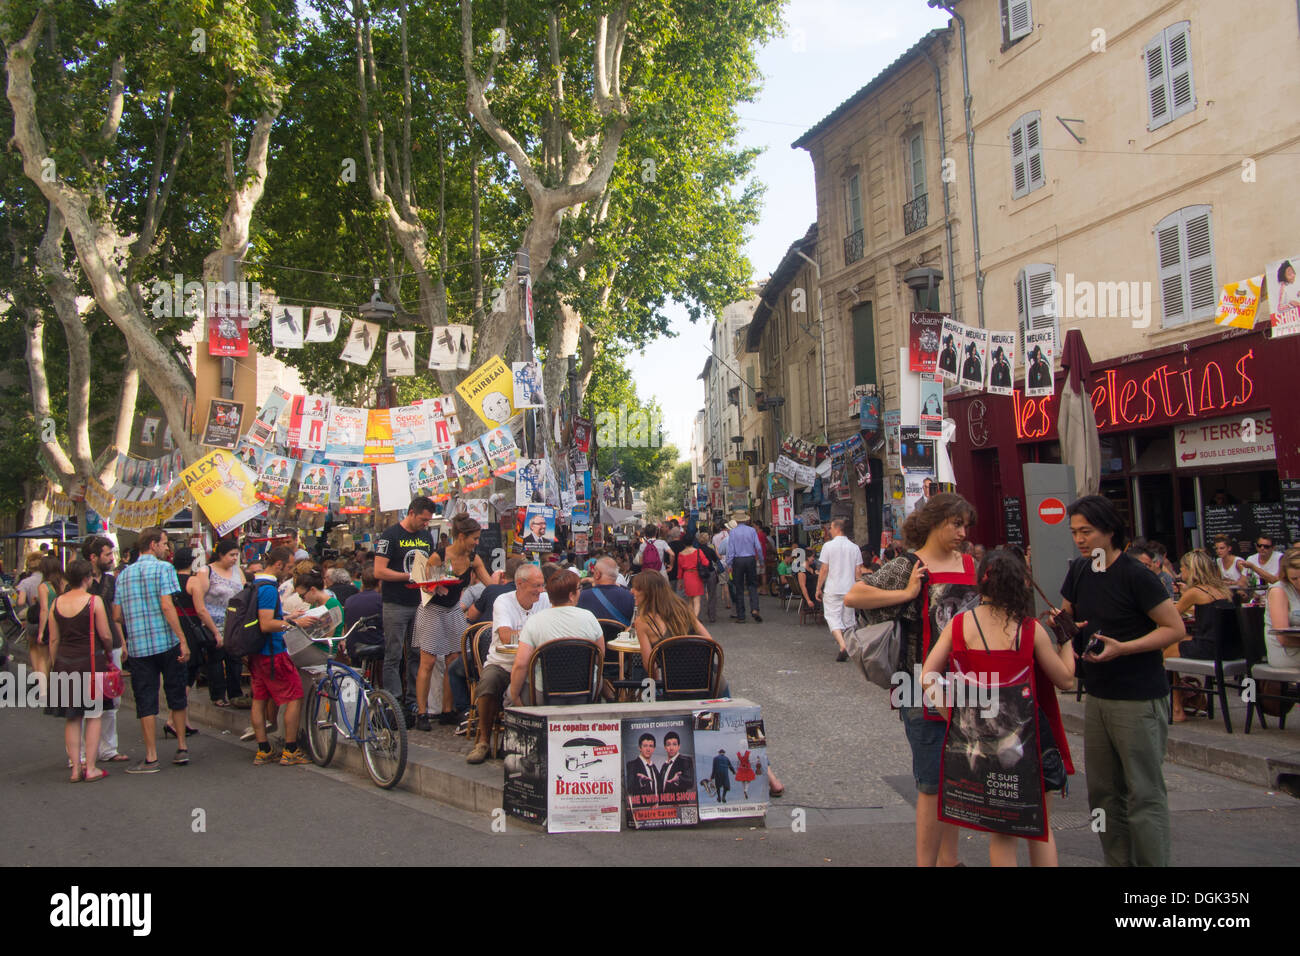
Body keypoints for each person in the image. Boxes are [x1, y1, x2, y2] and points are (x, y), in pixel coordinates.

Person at [922, 549, 1076, 866]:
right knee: (1040, 826)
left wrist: (952, 714)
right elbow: (1066, 680)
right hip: (1030, 737)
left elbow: (927, 676)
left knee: (1002, 832)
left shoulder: (959, 625)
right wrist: (1067, 639)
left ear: (983, 584)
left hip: (982, 740)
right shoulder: (1030, 630)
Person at [845, 493, 974, 866]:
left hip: (966, 683)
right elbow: (854, 596)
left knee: (957, 779)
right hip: (916, 683)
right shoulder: (909, 565)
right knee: (932, 781)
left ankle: (950, 861)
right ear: (934, 523)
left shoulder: (969, 563)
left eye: (966, 525)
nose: (963, 533)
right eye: (956, 524)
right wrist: (906, 593)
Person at [1058, 494, 1185, 867]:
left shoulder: (1135, 575)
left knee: (1143, 792)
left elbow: (1173, 628)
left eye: (1087, 532)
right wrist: (1062, 625)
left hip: (1138, 696)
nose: (1080, 539)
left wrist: (1125, 647)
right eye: (1074, 532)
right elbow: (1068, 615)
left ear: (1110, 531)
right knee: (1102, 793)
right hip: (1097, 693)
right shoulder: (1080, 570)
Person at [113, 527, 191, 774]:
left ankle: (151, 756)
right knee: (175, 692)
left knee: (145, 699)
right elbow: (167, 606)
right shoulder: (164, 569)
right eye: (165, 543)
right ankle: (181, 747)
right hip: (166, 641)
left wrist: (131, 630)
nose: (167, 548)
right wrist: (182, 639)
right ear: (153, 544)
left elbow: (116, 615)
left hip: (138, 646)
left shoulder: (123, 575)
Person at [414, 513, 493, 730]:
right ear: (461, 536)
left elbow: (489, 583)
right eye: (474, 539)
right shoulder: (439, 556)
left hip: (453, 610)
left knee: (454, 660)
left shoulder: (472, 559)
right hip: (433, 609)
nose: (476, 543)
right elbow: (423, 585)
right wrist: (435, 584)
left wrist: (504, 590)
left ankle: (447, 710)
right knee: (428, 662)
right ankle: (422, 713)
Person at [467, 564, 550, 764]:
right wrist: (534, 636)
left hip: (535, 663)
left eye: (542, 585)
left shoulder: (545, 599)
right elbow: (505, 636)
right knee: (487, 683)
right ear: (520, 584)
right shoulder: (503, 601)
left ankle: (536, 740)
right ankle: (484, 740)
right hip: (503, 662)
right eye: (536, 586)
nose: (541, 590)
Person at [47, 559, 116, 782]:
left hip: (64, 662)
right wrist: (108, 654)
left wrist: (53, 663)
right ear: (87, 578)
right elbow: (105, 635)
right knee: (94, 715)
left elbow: (54, 638)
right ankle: (92, 767)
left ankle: (76, 767)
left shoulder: (56, 603)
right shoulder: (93, 601)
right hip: (90, 661)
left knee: (72, 717)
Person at [246, 546, 310, 766]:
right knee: (294, 697)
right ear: (279, 564)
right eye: (290, 567)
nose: (290, 572)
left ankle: (263, 749)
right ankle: (290, 749)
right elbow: (266, 623)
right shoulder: (269, 588)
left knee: (259, 699)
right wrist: (293, 622)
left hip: (257, 653)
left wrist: (286, 615)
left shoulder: (255, 583)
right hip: (272, 652)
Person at [373, 497, 436, 722]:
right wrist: (408, 576)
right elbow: (378, 571)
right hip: (395, 603)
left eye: (428, 521)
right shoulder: (391, 535)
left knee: (417, 654)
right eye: (422, 519)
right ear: (411, 513)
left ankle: (413, 702)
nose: (425, 524)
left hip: (419, 603)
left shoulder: (426, 537)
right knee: (393, 654)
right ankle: (393, 703)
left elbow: (430, 565)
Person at [507, 570, 604, 706]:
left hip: (544, 696)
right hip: (587, 691)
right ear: (571, 596)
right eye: (578, 588)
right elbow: (600, 656)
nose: (580, 592)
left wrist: (514, 696)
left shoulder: (535, 621)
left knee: (508, 694)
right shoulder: (590, 618)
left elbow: (521, 665)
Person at [1170, 549, 1237, 722]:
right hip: (1231, 649)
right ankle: (1190, 697)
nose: (1180, 572)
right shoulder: (1223, 590)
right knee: (1177, 643)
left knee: (1161, 651)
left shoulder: (1194, 592)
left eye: (1183, 568)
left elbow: (1170, 615)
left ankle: (1177, 707)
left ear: (1190, 570)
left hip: (1210, 649)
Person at [79, 536, 128, 764]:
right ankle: (80, 752)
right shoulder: (77, 582)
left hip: (111, 645)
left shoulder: (111, 581)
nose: (111, 559)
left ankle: (108, 748)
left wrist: (122, 642)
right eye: (107, 555)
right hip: (85, 646)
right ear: (93, 557)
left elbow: (115, 615)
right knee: (83, 699)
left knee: (112, 698)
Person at [191, 538, 245, 707]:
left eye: (236, 555)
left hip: (234, 622)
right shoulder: (206, 571)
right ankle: (218, 695)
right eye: (231, 555)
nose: (234, 558)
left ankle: (236, 693)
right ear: (221, 555)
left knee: (235, 659)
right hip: (213, 621)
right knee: (215, 659)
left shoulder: (237, 571)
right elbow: (200, 600)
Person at [816, 517, 862, 662]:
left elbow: (824, 569)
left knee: (832, 617)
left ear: (837, 528)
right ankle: (848, 645)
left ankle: (843, 645)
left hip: (832, 588)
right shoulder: (854, 547)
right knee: (848, 619)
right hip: (849, 588)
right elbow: (858, 572)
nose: (829, 530)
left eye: (830, 528)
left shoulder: (828, 547)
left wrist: (818, 587)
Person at [31, 555, 65, 708]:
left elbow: (44, 609)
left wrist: (40, 631)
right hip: (63, 623)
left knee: (43, 658)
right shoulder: (64, 583)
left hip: (49, 624)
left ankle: (44, 692)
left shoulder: (44, 586)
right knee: (57, 657)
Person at [723, 511, 764, 623]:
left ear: (736, 520)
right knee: (752, 585)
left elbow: (731, 551)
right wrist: (761, 560)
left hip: (738, 560)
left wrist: (729, 564)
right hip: (750, 559)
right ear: (746, 520)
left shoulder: (733, 532)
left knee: (739, 588)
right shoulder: (752, 531)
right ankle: (755, 609)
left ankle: (741, 615)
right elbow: (758, 548)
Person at [1265, 547, 1300, 671]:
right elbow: (1283, 638)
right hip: (1286, 652)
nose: (1299, 582)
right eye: (1294, 579)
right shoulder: (1279, 591)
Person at [576, 556, 635, 626]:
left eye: (594, 572)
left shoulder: (582, 596)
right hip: (621, 635)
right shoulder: (631, 596)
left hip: (592, 636)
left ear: (597, 574)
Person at [342, 570, 384, 661]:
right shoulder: (382, 600)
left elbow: (346, 625)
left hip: (352, 648)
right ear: (380, 582)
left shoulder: (349, 600)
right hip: (376, 649)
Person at [675, 536, 709, 619]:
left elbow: (680, 570)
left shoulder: (680, 554)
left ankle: (690, 619)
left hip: (687, 576)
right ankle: (695, 620)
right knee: (697, 600)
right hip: (696, 575)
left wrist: (680, 582)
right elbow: (706, 563)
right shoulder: (698, 552)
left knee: (690, 600)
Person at [627, 733, 662, 804]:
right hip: (642, 810)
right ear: (640, 748)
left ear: (654, 749)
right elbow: (630, 789)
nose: (648, 749)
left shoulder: (654, 768)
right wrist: (641, 782)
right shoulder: (632, 765)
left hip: (657, 810)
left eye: (651, 746)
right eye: (645, 746)